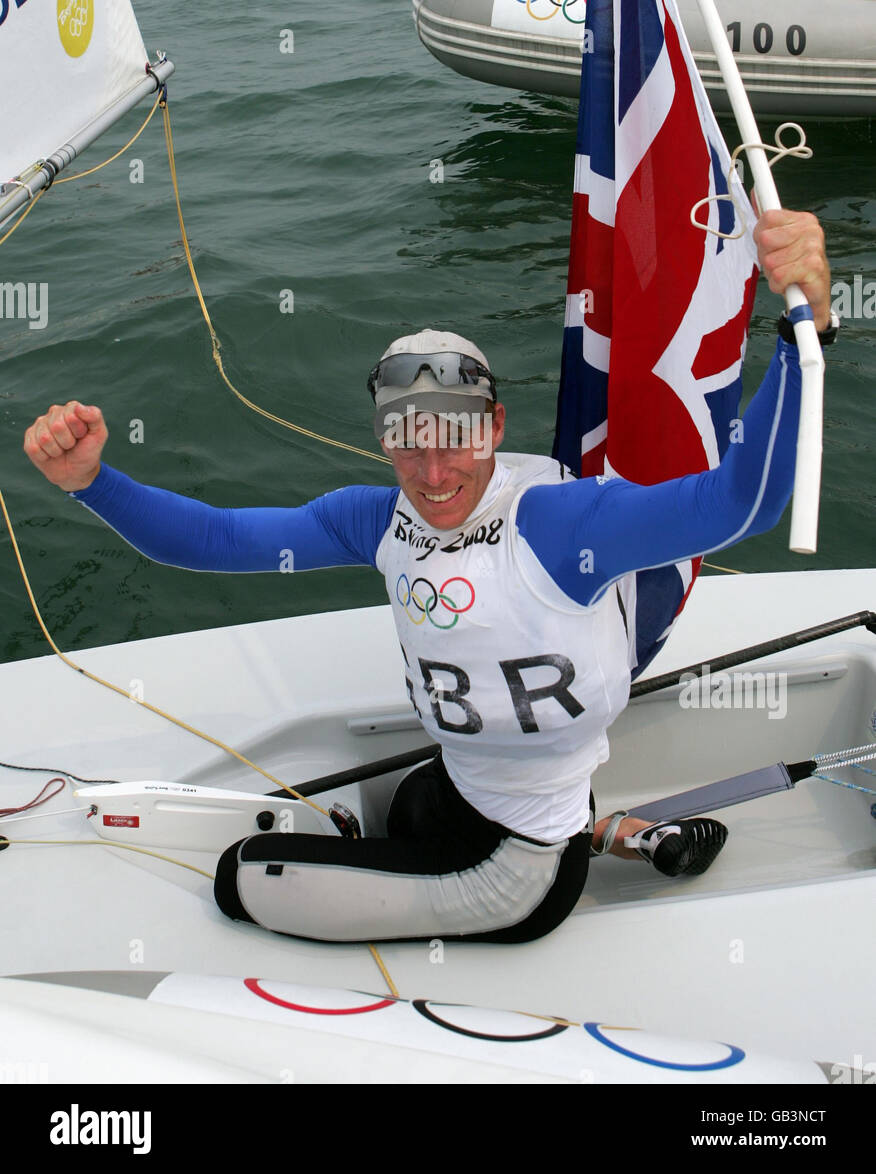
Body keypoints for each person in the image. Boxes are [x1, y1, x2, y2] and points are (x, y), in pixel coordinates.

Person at [23, 210, 834, 946]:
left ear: (496, 427)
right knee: (408, 806)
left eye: (457, 436)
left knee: (245, 879)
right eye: (408, 439)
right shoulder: (374, 518)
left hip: (518, 876)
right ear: (382, 437)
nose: (435, 470)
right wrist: (93, 481)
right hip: (461, 785)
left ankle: (584, 843)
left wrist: (806, 329)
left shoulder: (561, 526)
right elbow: (215, 538)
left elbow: (743, 503)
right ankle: (623, 835)